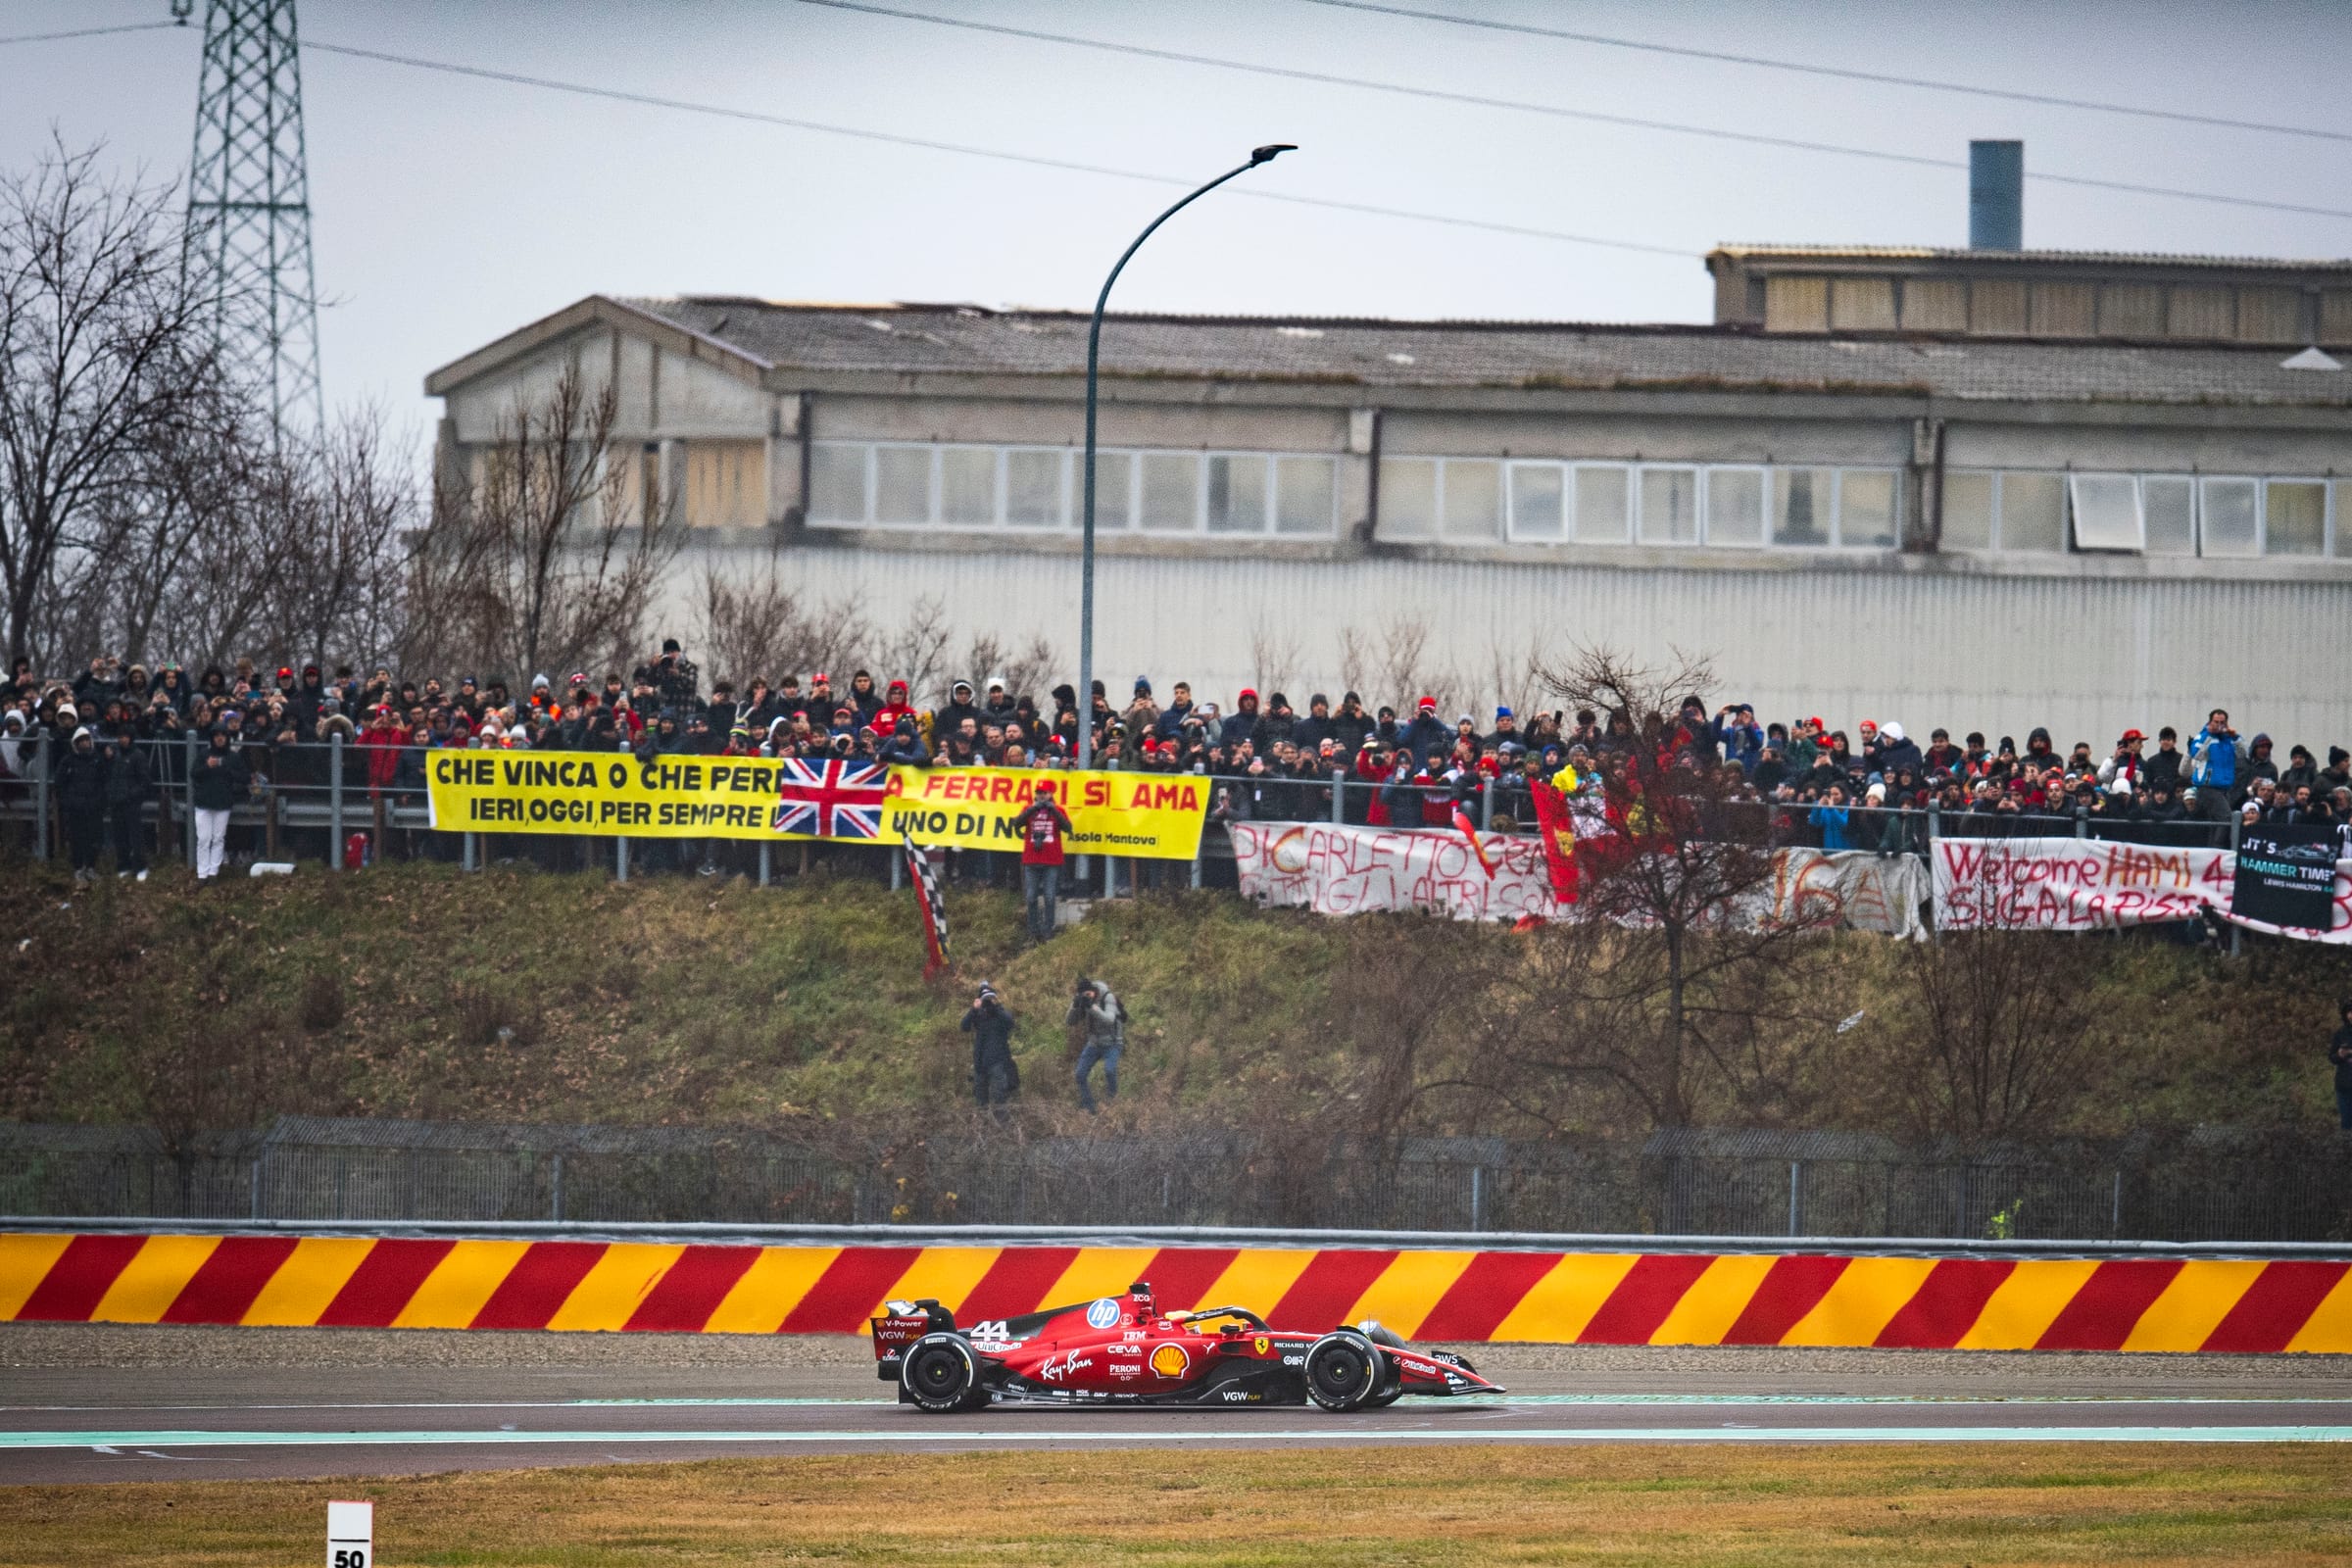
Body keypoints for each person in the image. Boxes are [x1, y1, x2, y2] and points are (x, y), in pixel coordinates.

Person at [1013, 781, 1074, 939]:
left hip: (1051, 860)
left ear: (1051, 794)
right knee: (1031, 896)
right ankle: (1033, 930)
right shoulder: (1028, 808)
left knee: (1049, 896)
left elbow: (1068, 828)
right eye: (1039, 792)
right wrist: (1032, 809)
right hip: (1031, 859)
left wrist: (1054, 811)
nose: (1041, 796)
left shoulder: (1058, 810)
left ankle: (1049, 928)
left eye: (1044, 793)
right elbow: (1017, 824)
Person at [190, 724, 249, 881]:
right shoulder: (204, 754)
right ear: (212, 738)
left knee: (218, 838)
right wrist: (207, 766)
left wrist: (228, 771)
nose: (220, 738)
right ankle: (202, 873)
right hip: (203, 802)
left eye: (223, 735)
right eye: (216, 735)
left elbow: (245, 777)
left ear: (227, 737)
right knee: (203, 839)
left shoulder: (233, 757)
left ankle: (213, 872)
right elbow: (194, 774)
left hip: (223, 803)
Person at [960, 982, 1019, 1117]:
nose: (988, 1002)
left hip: (998, 1061)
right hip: (980, 1062)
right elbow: (964, 1027)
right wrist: (973, 1010)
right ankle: (983, 1125)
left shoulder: (1000, 1013)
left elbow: (1010, 1023)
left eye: (990, 998)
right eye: (985, 999)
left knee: (999, 1097)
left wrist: (995, 1008)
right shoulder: (977, 1015)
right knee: (981, 1099)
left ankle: (1001, 1127)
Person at [1068, 974, 1124, 1113]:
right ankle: (1089, 1108)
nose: (1088, 996)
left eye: (1089, 994)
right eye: (1084, 995)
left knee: (1109, 1071)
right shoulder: (1082, 998)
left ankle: (1113, 1105)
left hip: (1112, 1042)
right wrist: (1075, 1006)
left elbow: (1110, 1019)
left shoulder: (1107, 997)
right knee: (1080, 1074)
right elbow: (1069, 1021)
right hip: (1093, 1043)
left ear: (1094, 990)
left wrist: (1093, 1007)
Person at [2332, 998, 2352, 1133]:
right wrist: (2339, 1055)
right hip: (2343, 1084)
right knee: (2345, 1124)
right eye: (2350, 1012)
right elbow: (2331, 1057)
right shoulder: (2340, 1033)